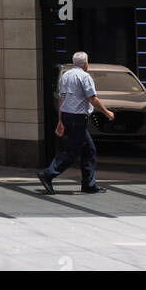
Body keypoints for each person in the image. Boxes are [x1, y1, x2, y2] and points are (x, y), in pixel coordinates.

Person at [38, 51, 114, 195]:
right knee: (73, 151)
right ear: (85, 63)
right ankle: (48, 174)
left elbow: (61, 99)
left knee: (89, 150)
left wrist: (61, 120)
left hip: (67, 115)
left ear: (74, 63)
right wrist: (106, 112)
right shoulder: (85, 77)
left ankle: (88, 185)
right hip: (77, 118)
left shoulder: (65, 75)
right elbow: (92, 98)